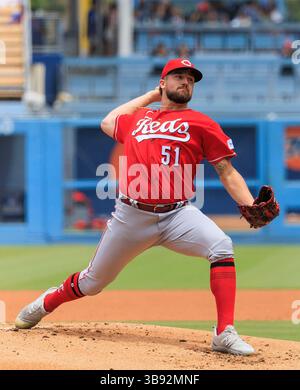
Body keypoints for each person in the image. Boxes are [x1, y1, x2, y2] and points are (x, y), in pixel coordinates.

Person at [16, 58, 274, 355]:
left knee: (222, 246)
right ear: (163, 82)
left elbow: (226, 170)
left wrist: (249, 203)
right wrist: (151, 97)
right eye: (179, 76)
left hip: (178, 213)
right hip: (132, 216)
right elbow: (107, 122)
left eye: (191, 78)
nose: (186, 81)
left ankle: (224, 332)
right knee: (92, 282)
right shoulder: (140, 119)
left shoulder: (202, 123)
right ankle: (47, 302)